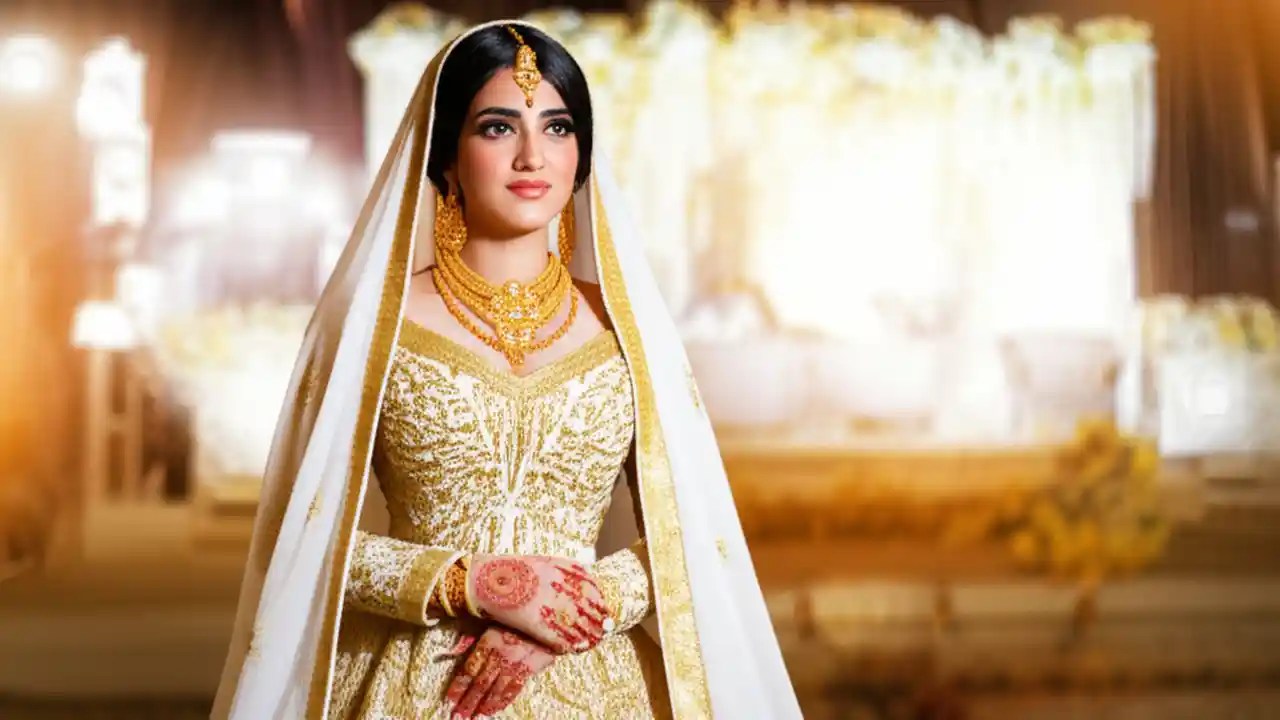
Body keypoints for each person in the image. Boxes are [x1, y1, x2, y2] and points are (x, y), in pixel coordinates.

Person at [212, 20, 801, 720]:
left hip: (596, 684)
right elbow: (301, 537)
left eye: (557, 128)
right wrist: (477, 584)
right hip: (416, 684)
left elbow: (696, 533)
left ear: (581, 157)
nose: (532, 156)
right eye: (497, 128)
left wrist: (570, 612)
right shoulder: (373, 328)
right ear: (445, 159)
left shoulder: (629, 335)